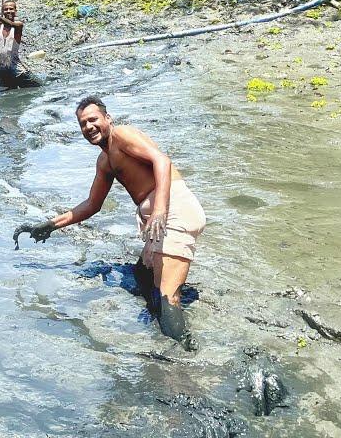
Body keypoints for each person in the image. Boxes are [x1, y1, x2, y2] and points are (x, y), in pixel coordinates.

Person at [14, 96, 206, 347]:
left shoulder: (123, 134)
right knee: (142, 276)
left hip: (173, 210)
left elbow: (162, 161)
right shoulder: (105, 161)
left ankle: (185, 358)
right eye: (83, 124)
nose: (88, 127)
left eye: (93, 119)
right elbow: (92, 205)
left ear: (107, 118)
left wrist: (159, 209)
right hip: (159, 217)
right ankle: (162, 330)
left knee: (167, 300)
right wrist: (50, 225)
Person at [0, 0, 43, 89]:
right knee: (4, 95)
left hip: (17, 70)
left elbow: (11, 24)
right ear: (2, 12)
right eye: (6, 9)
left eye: (11, 9)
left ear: (15, 11)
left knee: (40, 88)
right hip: (2, 70)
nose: (8, 11)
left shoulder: (18, 25)